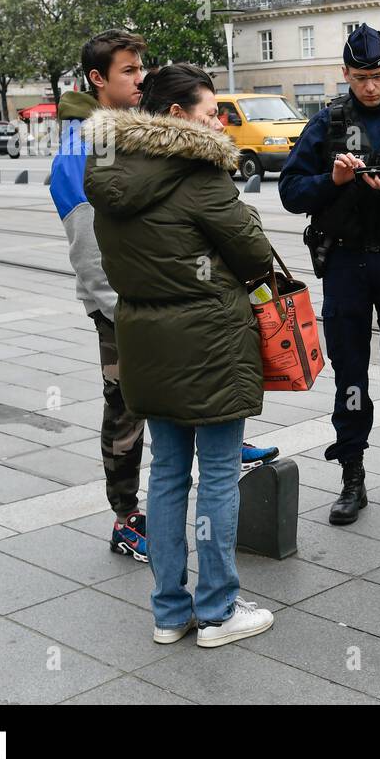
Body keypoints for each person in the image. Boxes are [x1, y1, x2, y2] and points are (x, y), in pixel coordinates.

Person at [83, 64, 276, 649]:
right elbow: (256, 257)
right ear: (175, 116)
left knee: (166, 475)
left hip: (145, 339)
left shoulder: (108, 170)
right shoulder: (202, 176)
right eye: (210, 111)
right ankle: (217, 611)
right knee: (217, 473)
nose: (218, 121)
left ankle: (170, 612)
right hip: (210, 342)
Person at [279, 24, 380, 525]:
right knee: (349, 373)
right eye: (359, 77)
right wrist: (334, 179)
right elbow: (290, 192)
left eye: (377, 76)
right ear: (344, 74)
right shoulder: (327, 123)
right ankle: (352, 477)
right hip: (346, 262)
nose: (369, 86)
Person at [50, 30, 151, 561]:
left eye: (141, 68)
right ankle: (126, 516)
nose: (141, 78)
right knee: (126, 409)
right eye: (129, 71)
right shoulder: (80, 148)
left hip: (147, 301)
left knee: (155, 399)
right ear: (97, 79)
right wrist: (125, 316)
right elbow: (89, 254)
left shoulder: (117, 130)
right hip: (122, 310)